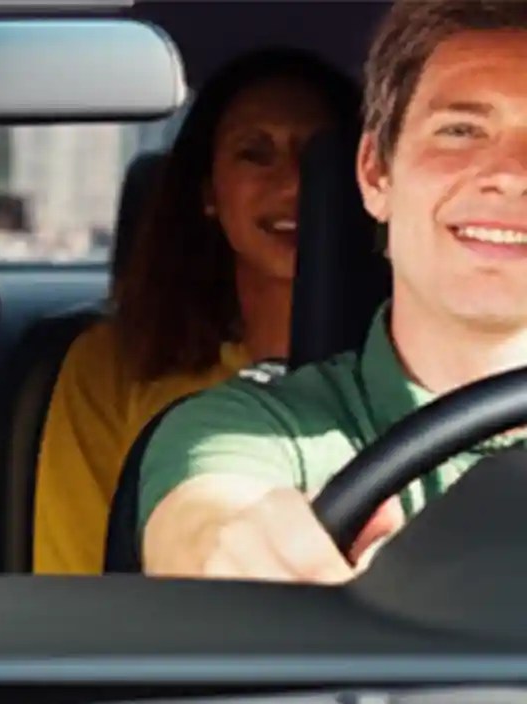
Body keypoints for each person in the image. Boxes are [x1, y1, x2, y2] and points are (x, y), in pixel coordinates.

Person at [139, 0, 527, 583]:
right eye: (461, 130)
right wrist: (236, 553)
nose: (512, 173)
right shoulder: (257, 430)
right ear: (375, 173)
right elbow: (209, 518)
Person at [32, 48, 362, 574]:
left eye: (319, 157)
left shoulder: (419, 358)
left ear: (369, 180)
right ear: (209, 192)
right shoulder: (114, 367)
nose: (293, 184)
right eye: (255, 153)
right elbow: (71, 588)